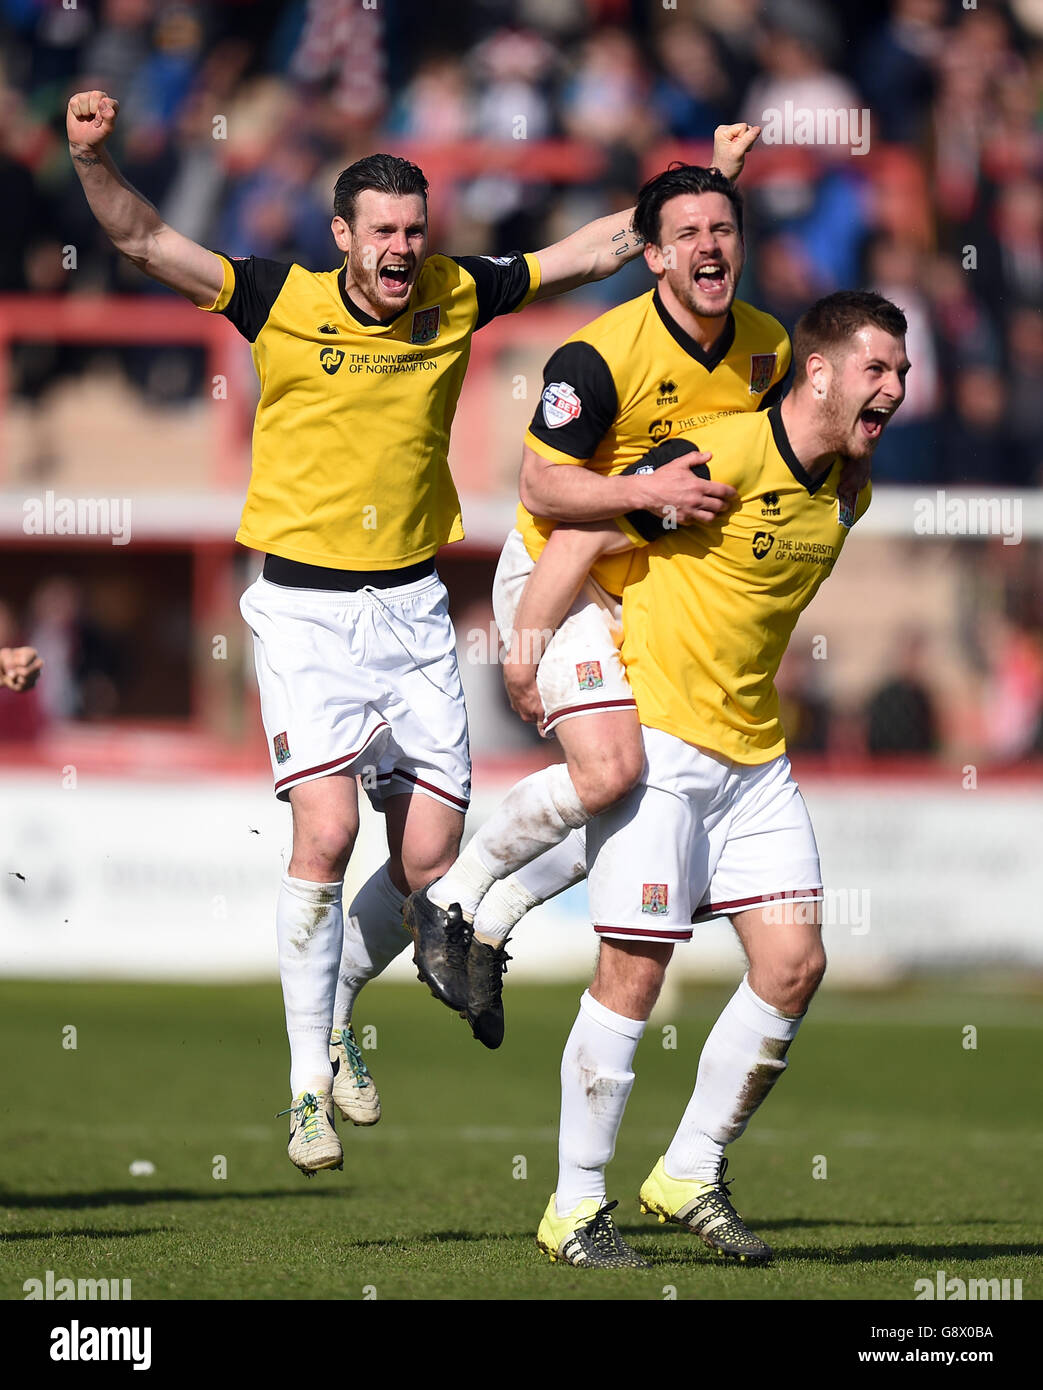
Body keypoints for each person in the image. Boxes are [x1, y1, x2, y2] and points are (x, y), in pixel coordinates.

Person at [65, 87, 759, 1174]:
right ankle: (304, 1089)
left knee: (428, 860)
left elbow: (582, 256)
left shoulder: (453, 292)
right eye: (381, 231)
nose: (401, 248)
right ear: (341, 236)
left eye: (412, 230)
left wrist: (705, 190)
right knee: (327, 835)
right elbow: (145, 237)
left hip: (412, 606)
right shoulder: (274, 299)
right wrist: (93, 159)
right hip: (300, 607)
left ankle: (335, 1000)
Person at [502, 291, 909, 1266]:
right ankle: (572, 1206)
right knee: (636, 971)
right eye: (876, 370)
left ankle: (686, 1169)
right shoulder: (714, 454)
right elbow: (581, 535)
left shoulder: (850, 484)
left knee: (792, 966)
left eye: (898, 372)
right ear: (816, 373)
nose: (893, 391)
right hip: (665, 741)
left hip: (752, 755)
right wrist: (522, 656)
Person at [405, 161, 789, 1049]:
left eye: (722, 230)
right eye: (686, 234)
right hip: (562, 576)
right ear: (651, 256)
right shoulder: (599, 352)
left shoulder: (766, 346)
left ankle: (487, 921)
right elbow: (542, 488)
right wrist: (528, 637)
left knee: (658, 796)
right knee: (613, 772)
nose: (708, 247)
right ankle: (453, 899)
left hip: (656, 593)